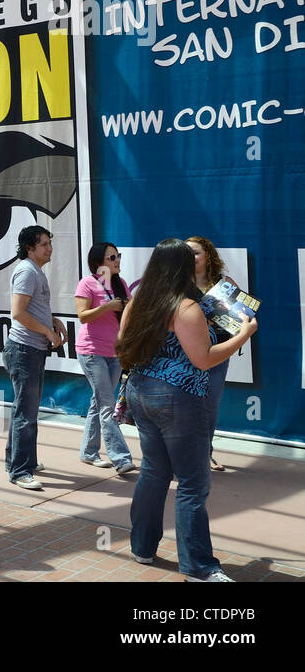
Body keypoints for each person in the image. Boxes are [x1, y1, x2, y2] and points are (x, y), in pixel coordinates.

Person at [117, 238, 256, 582]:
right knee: (193, 483)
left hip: (141, 391)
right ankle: (198, 567)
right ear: (182, 266)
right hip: (177, 398)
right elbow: (204, 359)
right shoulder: (185, 308)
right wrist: (244, 334)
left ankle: (142, 547)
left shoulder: (139, 301)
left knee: (153, 471)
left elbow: (121, 345)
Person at [2, 225, 67, 490]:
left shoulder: (34, 271)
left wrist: (52, 320)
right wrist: (48, 333)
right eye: (44, 244)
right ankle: (20, 471)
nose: (49, 248)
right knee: (25, 413)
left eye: (49, 243)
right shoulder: (27, 271)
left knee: (25, 410)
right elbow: (18, 312)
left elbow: (32, 309)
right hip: (24, 350)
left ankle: (18, 460)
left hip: (30, 350)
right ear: (30, 248)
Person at [74, 242, 135, 474]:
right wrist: (108, 306)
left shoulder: (121, 284)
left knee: (99, 403)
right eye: (112, 257)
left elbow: (129, 316)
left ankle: (89, 453)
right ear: (99, 262)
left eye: (118, 256)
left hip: (114, 352)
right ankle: (121, 458)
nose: (117, 260)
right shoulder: (87, 283)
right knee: (107, 406)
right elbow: (82, 316)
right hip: (91, 352)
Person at [187, 236, 235, 472]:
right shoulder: (177, 285)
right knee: (186, 406)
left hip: (216, 354)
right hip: (184, 356)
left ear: (208, 256)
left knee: (210, 407)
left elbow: (240, 321)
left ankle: (205, 454)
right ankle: (185, 456)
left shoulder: (224, 283)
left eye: (195, 252)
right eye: (187, 253)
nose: (191, 257)